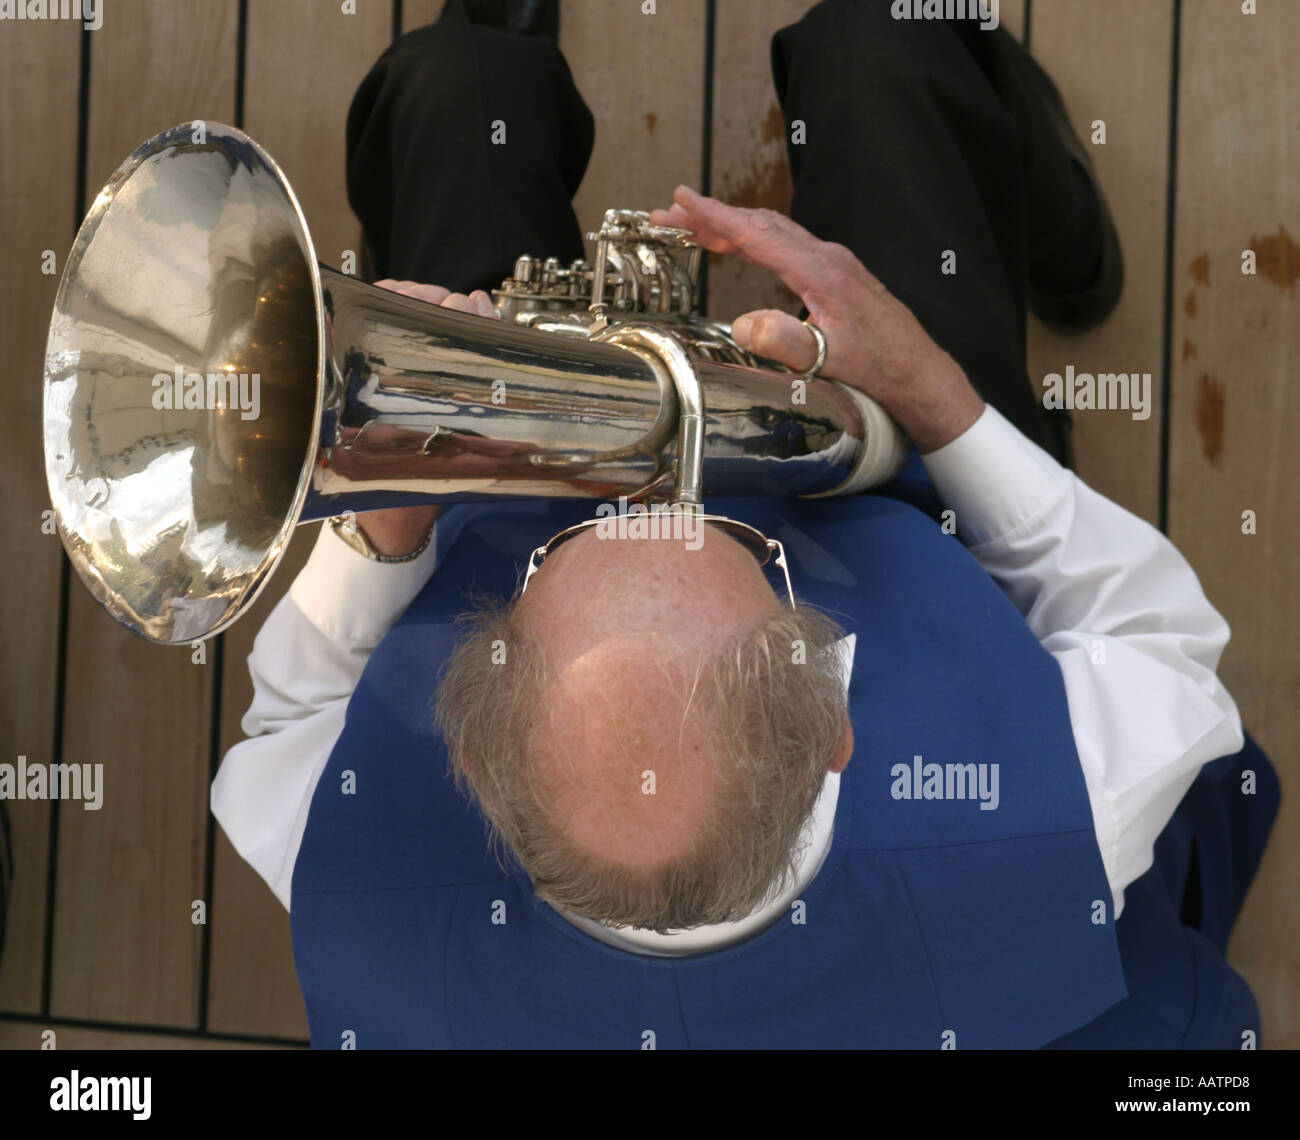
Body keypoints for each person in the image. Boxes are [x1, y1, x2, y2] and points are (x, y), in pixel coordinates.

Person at [211, 0, 1278, 1048]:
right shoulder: (1061, 814)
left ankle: (488, 70)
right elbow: (1156, 640)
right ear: (835, 728)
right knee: (881, 52)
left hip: (487, 462)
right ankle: (1047, 214)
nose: (656, 493)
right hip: (910, 514)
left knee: (444, 95)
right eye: (749, 551)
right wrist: (932, 390)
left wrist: (391, 516)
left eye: (562, 553)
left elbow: (293, 721)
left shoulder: (346, 872)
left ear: (476, 761)